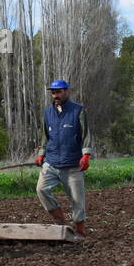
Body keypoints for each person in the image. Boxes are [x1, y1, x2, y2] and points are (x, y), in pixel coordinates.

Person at [34, 78, 93, 237]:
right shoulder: (47, 112)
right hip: (51, 162)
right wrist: (41, 154)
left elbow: (86, 134)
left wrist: (86, 155)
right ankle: (59, 220)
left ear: (67, 91)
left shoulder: (78, 110)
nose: (55, 95)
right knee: (41, 189)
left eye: (58, 92)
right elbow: (45, 136)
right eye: (53, 92)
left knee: (77, 200)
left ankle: (80, 231)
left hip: (73, 164)